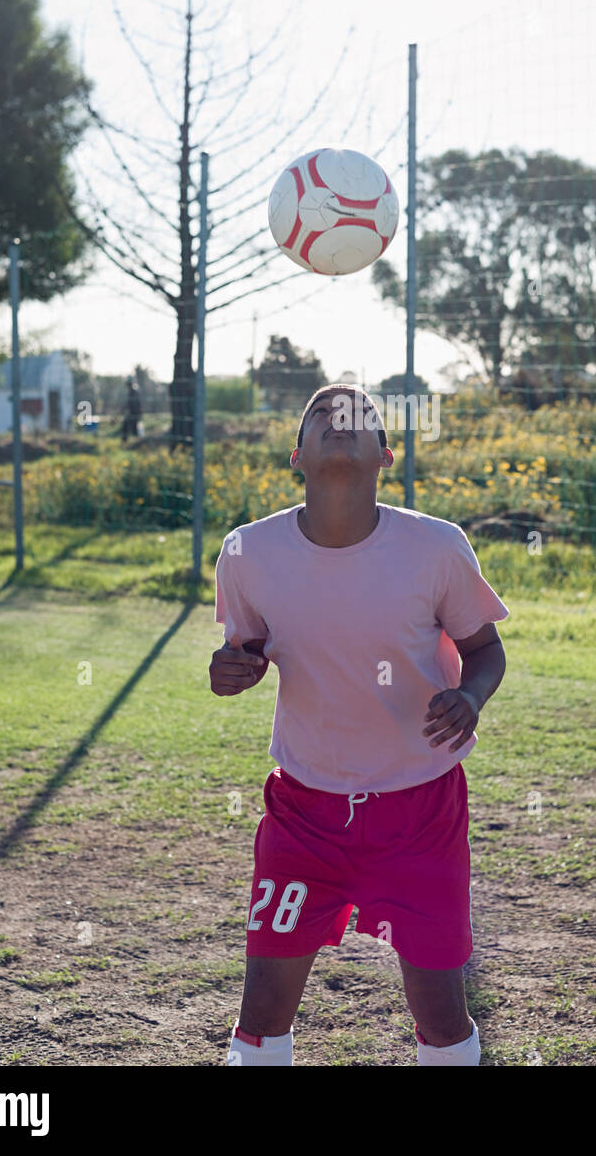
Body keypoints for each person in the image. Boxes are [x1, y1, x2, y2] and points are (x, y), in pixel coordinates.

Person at [210, 384, 509, 1067]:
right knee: (260, 1014)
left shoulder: (436, 546)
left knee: (440, 1015)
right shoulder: (247, 552)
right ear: (296, 456)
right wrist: (231, 669)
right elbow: (244, 650)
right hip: (303, 815)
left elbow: (485, 651)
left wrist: (470, 696)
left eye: (360, 416)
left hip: (421, 813)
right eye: (321, 412)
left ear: (385, 455)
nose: (340, 420)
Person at [121, 378, 142, 442]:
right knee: (128, 427)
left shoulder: (133, 391)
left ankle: (135, 442)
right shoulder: (131, 391)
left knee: (131, 427)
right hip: (132, 412)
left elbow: (133, 403)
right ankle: (129, 441)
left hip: (133, 413)